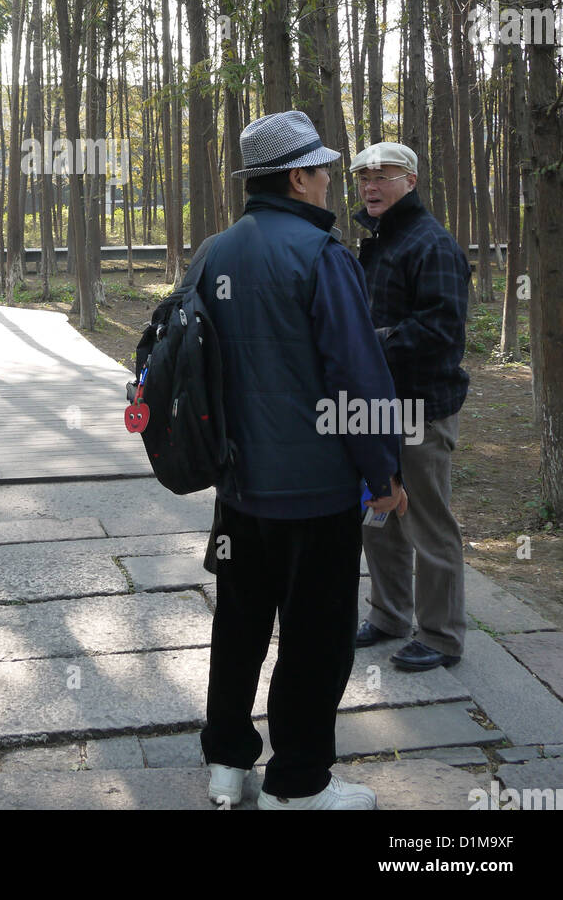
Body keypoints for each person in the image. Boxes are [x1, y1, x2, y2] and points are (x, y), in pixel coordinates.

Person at [196, 110, 407, 812]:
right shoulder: (323, 256)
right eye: (321, 170)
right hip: (313, 493)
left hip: (238, 489)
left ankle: (227, 764)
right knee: (315, 642)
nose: (329, 183)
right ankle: (299, 783)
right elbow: (359, 376)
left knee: (238, 626)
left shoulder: (213, 253)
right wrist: (381, 476)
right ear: (296, 177)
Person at [349, 142, 471, 672]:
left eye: (385, 176)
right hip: (377, 407)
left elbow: (443, 327)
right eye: (363, 177)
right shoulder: (378, 240)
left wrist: (370, 343)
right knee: (381, 511)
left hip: (423, 406)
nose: (371, 186)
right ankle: (389, 614)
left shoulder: (431, 243)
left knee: (427, 521)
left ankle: (442, 636)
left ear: (412, 181)